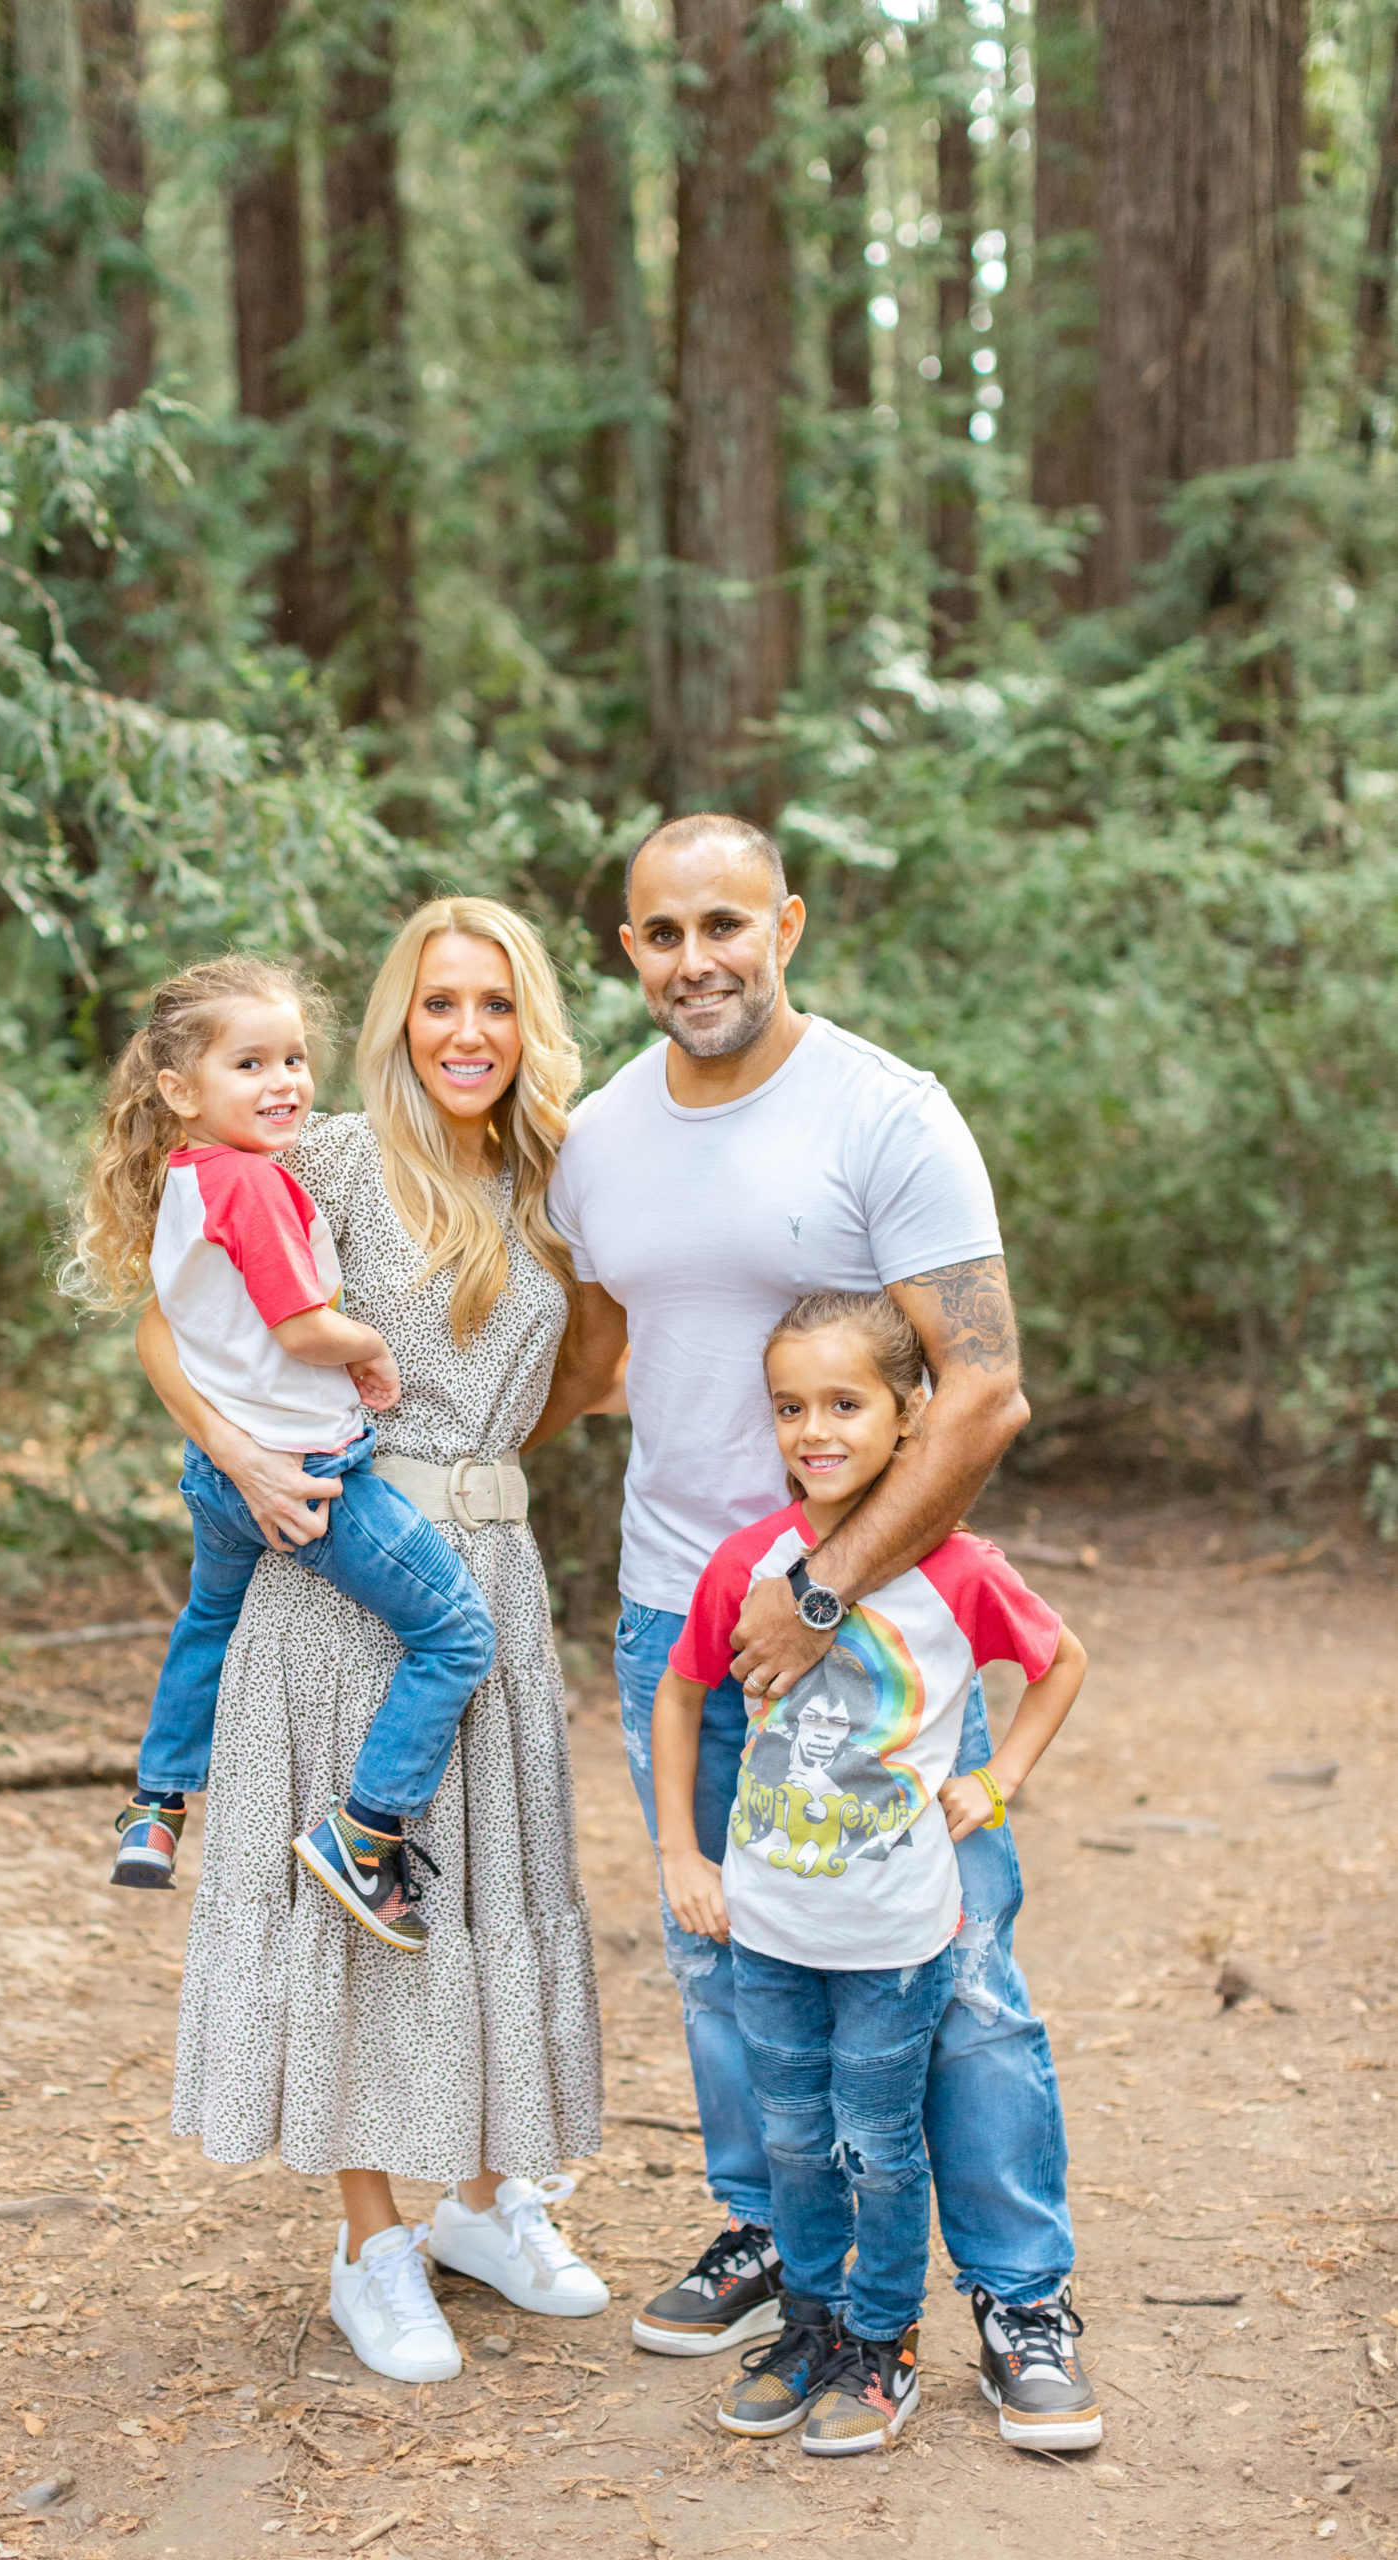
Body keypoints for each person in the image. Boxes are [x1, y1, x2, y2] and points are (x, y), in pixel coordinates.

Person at [537, 811, 1102, 2450]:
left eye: (726, 923)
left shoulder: (883, 1112)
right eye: (660, 933)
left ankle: (1014, 2290)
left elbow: (982, 1385)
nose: (695, 958)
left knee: (963, 1971)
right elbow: (586, 1357)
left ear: (783, 922)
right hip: (675, 1617)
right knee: (727, 1962)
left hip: (870, 1629)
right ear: (626, 951)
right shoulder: (599, 1141)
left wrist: (822, 1587)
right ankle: (790, 2250)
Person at [135, 900, 608, 2386]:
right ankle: (367, 2241)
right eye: (435, 1003)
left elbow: (582, 1372)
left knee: (479, 1892)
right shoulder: (321, 1158)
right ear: (397, 1020)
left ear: (528, 1025)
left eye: (493, 1005)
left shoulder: (555, 1183)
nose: (464, 1032)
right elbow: (171, 1319)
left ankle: (479, 2203)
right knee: (359, 1915)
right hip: (338, 1568)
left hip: (493, 1572)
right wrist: (233, 1448)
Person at [654, 1289, 1087, 2453]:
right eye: (790, 1407)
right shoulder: (750, 1563)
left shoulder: (958, 1569)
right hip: (772, 1927)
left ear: (913, 1416)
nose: (814, 1430)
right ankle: (810, 2326)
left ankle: (882, 2344)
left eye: (845, 1403)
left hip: (900, 1937)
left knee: (877, 2145)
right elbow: (681, 1689)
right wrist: (682, 1852)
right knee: (791, 2139)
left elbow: (1062, 1659)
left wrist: (997, 1789)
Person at [62, 954, 497, 1944]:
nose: (284, 1081)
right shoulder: (253, 1185)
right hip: (310, 1481)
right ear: (180, 1089)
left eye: (294, 1058)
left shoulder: (186, 1179)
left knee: (208, 1620)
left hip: (215, 1478)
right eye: (249, 1064)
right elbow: (303, 1325)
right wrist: (372, 1345)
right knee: (458, 1633)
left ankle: (157, 1806)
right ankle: (367, 1830)